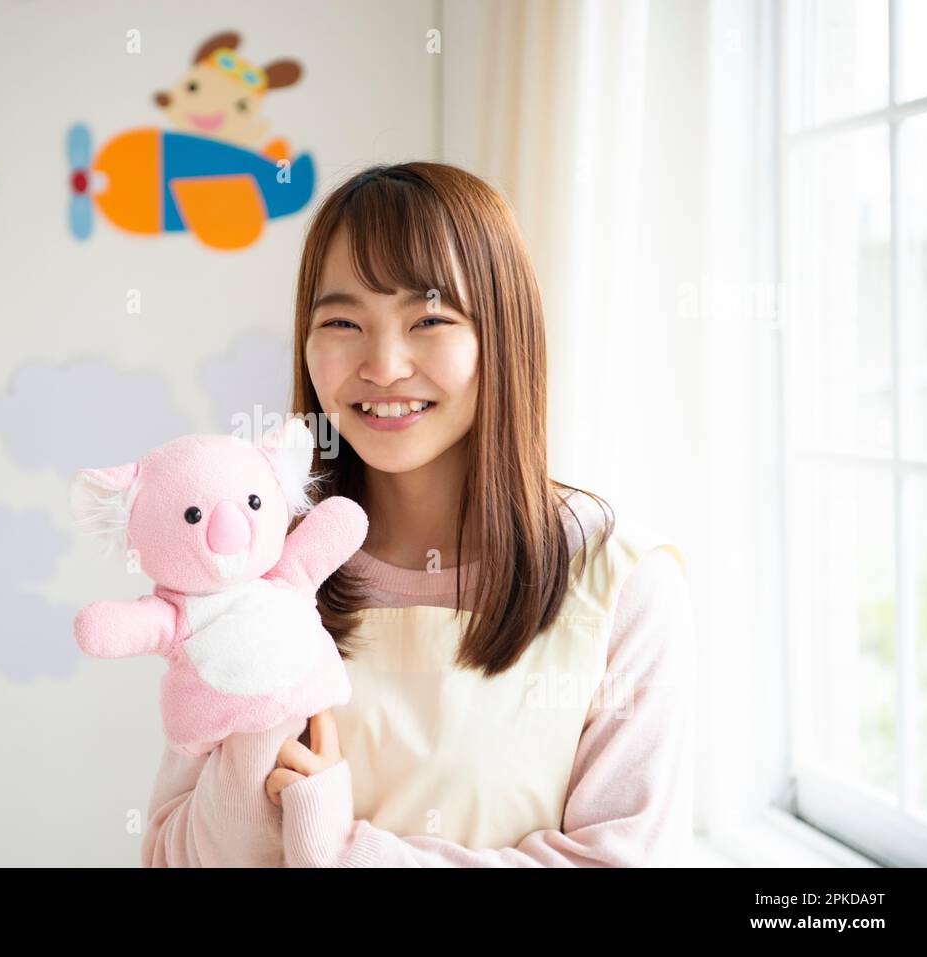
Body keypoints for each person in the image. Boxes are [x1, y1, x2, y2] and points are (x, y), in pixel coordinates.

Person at [142, 162, 695, 867]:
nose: (383, 363)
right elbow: (168, 855)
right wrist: (254, 746)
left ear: (503, 333)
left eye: (429, 319)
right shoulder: (247, 567)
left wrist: (342, 852)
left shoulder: (623, 584)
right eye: (342, 321)